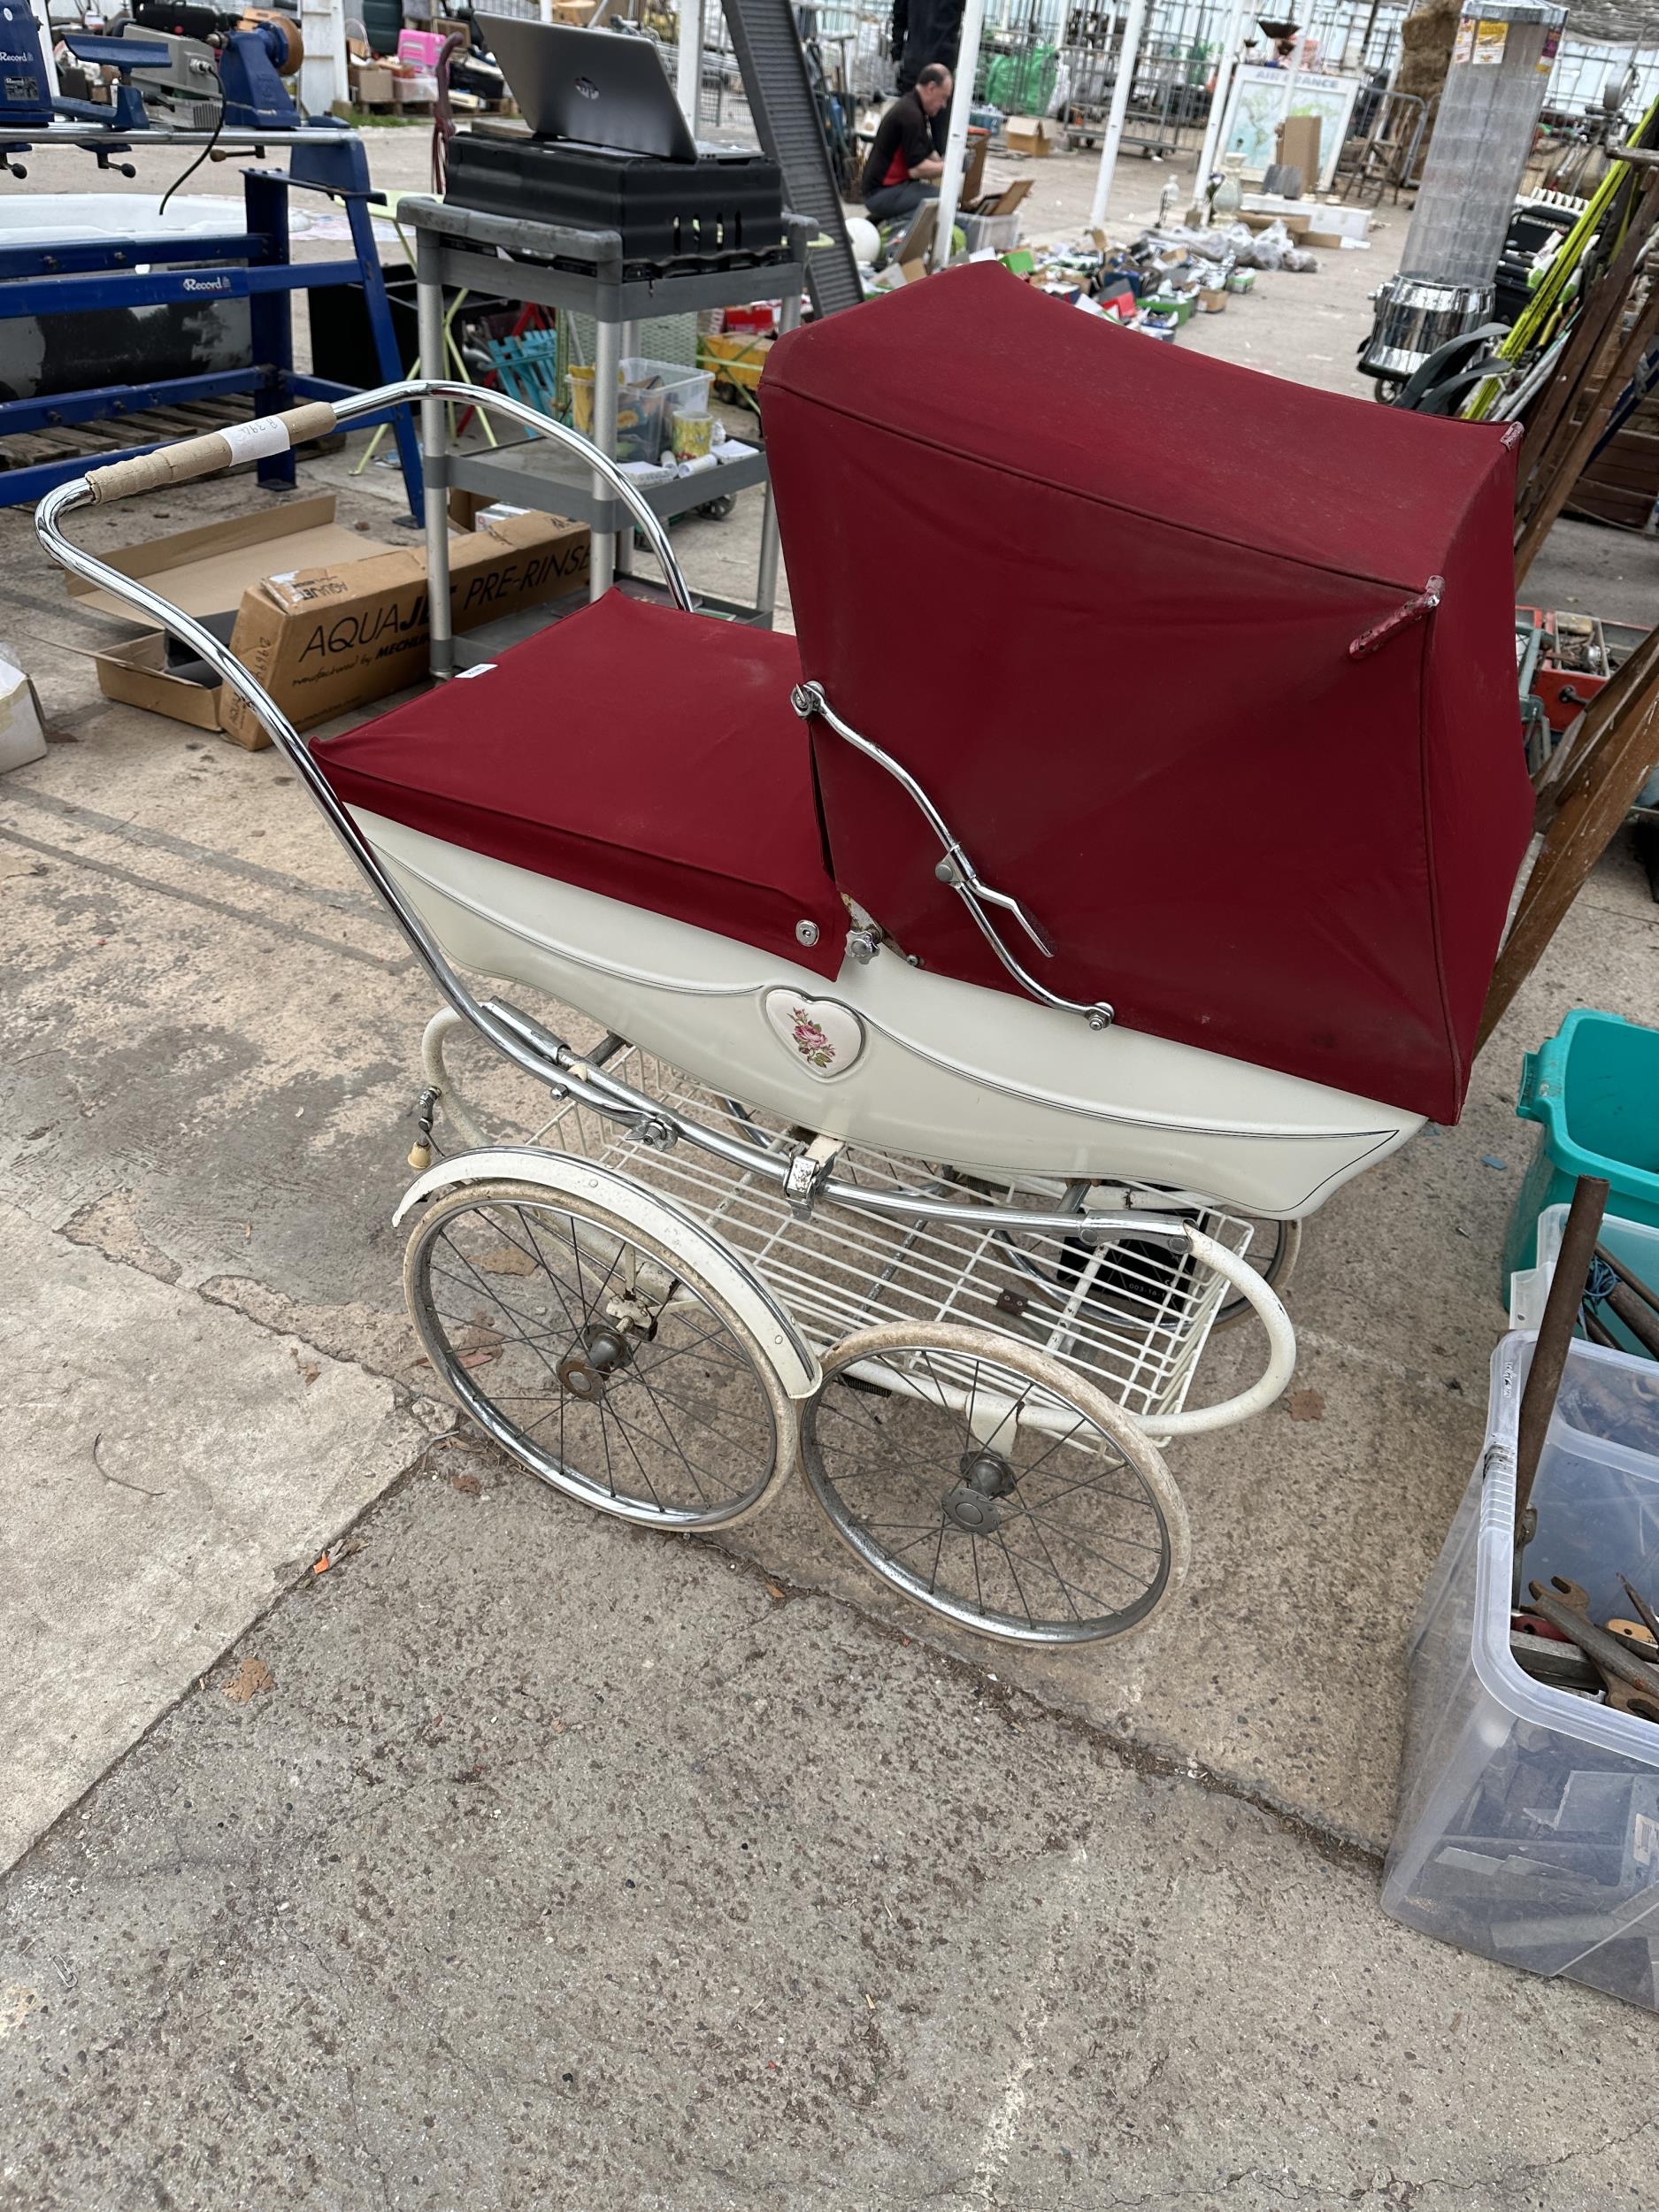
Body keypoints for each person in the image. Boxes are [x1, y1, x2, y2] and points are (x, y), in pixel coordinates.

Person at [861, 65, 953, 227]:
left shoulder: (913, 108)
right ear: (931, 88)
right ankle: (890, 226)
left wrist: (950, 162)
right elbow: (917, 169)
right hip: (880, 193)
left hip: (890, 189)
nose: (944, 105)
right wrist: (953, 167)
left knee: (946, 196)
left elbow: (930, 152)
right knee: (942, 201)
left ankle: (883, 220)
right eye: (943, 97)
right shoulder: (910, 115)